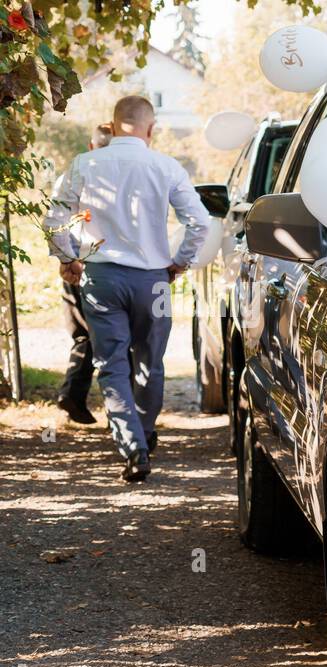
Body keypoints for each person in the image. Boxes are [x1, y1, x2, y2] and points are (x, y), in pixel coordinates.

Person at [44, 96, 208, 482]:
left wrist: (66, 258)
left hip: (101, 278)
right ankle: (145, 432)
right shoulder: (166, 167)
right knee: (151, 362)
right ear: (151, 130)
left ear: (113, 126)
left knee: (112, 365)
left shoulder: (84, 164)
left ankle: (133, 447)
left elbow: (54, 216)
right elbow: (199, 222)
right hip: (153, 281)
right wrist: (180, 261)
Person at [53, 122, 114, 426]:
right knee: (109, 337)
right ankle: (116, 407)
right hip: (102, 265)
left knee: (84, 335)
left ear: (91, 146)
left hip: (75, 264)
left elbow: (55, 220)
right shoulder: (120, 177)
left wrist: (66, 260)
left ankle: (73, 396)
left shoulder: (73, 174)